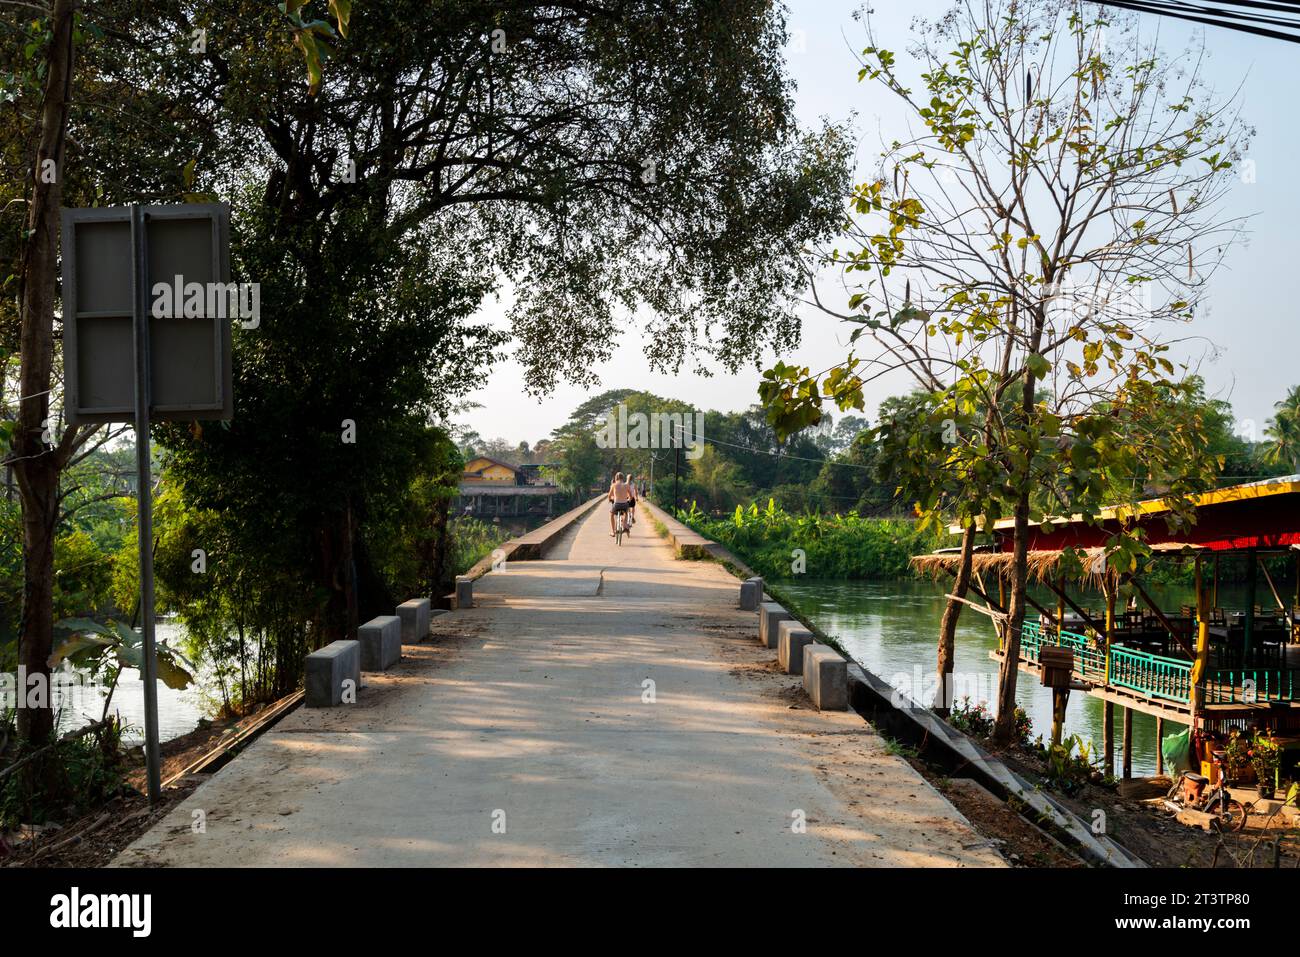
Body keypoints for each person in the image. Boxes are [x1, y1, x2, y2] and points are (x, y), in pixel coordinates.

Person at [608, 471, 634, 536]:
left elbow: (609, 495)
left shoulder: (614, 485)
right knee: (626, 513)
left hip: (616, 504)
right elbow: (631, 496)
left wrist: (610, 499)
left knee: (611, 515)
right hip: (624, 504)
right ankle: (625, 525)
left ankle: (613, 532)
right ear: (623, 478)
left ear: (616, 478)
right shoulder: (626, 485)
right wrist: (628, 500)